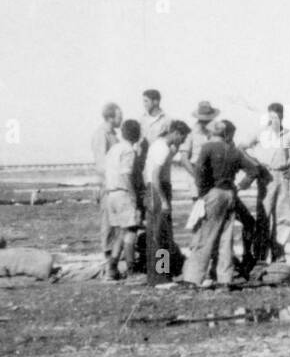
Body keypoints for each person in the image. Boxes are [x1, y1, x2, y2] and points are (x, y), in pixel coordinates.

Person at [181, 120, 267, 288]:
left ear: (213, 132)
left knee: (206, 236)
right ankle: (224, 281)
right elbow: (254, 170)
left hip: (214, 193)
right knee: (225, 239)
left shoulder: (207, 147)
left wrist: (203, 194)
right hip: (230, 194)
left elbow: (200, 174)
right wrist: (240, 186)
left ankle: (193, 279)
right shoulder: (234, 151)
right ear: (226, 134)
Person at [244, 102, 290, 261]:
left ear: (282, 116)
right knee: (263, 214)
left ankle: (279, 252)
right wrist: (255, 165)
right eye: (270, 116)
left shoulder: (288, 134)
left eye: (276, 116)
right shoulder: (261, 133)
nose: (273, 119)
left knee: (283, 216)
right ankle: (260, 254)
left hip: (282, 176)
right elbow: (242, 148)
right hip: (266, 176)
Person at [144, 120, 190, 285]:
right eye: (182, 138)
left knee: (156, 234)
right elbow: (155, 177)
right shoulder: (162, 149)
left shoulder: (160, 145)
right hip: (157, 190)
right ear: (176, 133)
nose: (183, 141)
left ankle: (156, 276)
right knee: (161, 235)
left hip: (153, 190)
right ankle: (161, 277)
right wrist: (164, 201)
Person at [102, 119, 143, 280]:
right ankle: (132, 271)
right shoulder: (128, 150)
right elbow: (126, 175)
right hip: (122, 193)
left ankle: (112, 268)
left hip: (111, 194)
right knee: (131, 230)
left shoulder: (114, 149)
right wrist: (134, 198)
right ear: (136, 134)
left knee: (120, 232)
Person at [91, 103, 123, 260]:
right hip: (107, 184)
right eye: (119, 115)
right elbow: (101, 164)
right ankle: (108, 254)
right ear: (110, 117)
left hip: (113, 184)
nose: (121, 118)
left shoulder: (113, 135)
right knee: (108, 221)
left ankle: (113, 255)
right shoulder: (101, 134)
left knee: (114, 220)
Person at [178, 100, 220, 183]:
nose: (206, 122)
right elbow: (184, 159)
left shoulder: (219, 132)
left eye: (209, 119)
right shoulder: (191, 133)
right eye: (203, 120)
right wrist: (196, 177)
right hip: (196, 171)